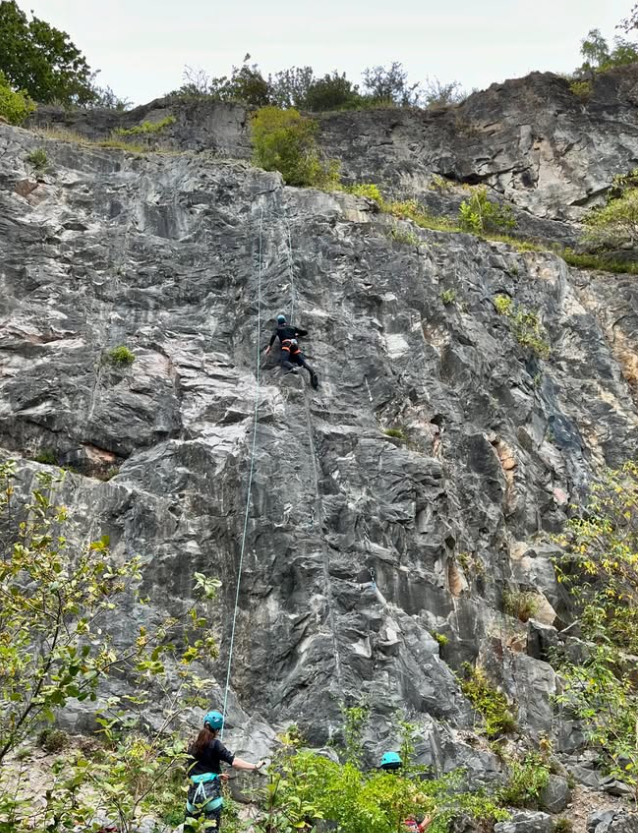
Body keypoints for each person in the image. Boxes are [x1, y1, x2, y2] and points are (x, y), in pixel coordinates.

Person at [185, 710, 265, 831]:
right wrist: (255, 766)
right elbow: (234, 762)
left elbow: (195, 772)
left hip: (194, 795)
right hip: (211, 796)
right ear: (217, 730)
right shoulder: (215, 744)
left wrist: (217, 775)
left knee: (189, 829)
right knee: (211, 829)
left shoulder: (192, 747)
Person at [379, 752, 432, 833]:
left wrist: (420, 828)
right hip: (408, 827)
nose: (393, 772)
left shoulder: (380, 789)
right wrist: (421, 827)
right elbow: (432, 807)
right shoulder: (409, 787)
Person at [265, 314, 319, 389]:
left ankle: (292, 368)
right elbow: (305, 332)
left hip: (286, 344)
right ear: (285, 321)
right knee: (302, 363)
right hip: (294, 345)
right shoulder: (292, 327)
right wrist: (297, 334)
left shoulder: (277, 328)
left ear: (279, 323)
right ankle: (312, 372)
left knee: (283, 361)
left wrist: (269, 347)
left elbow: (273, 336)